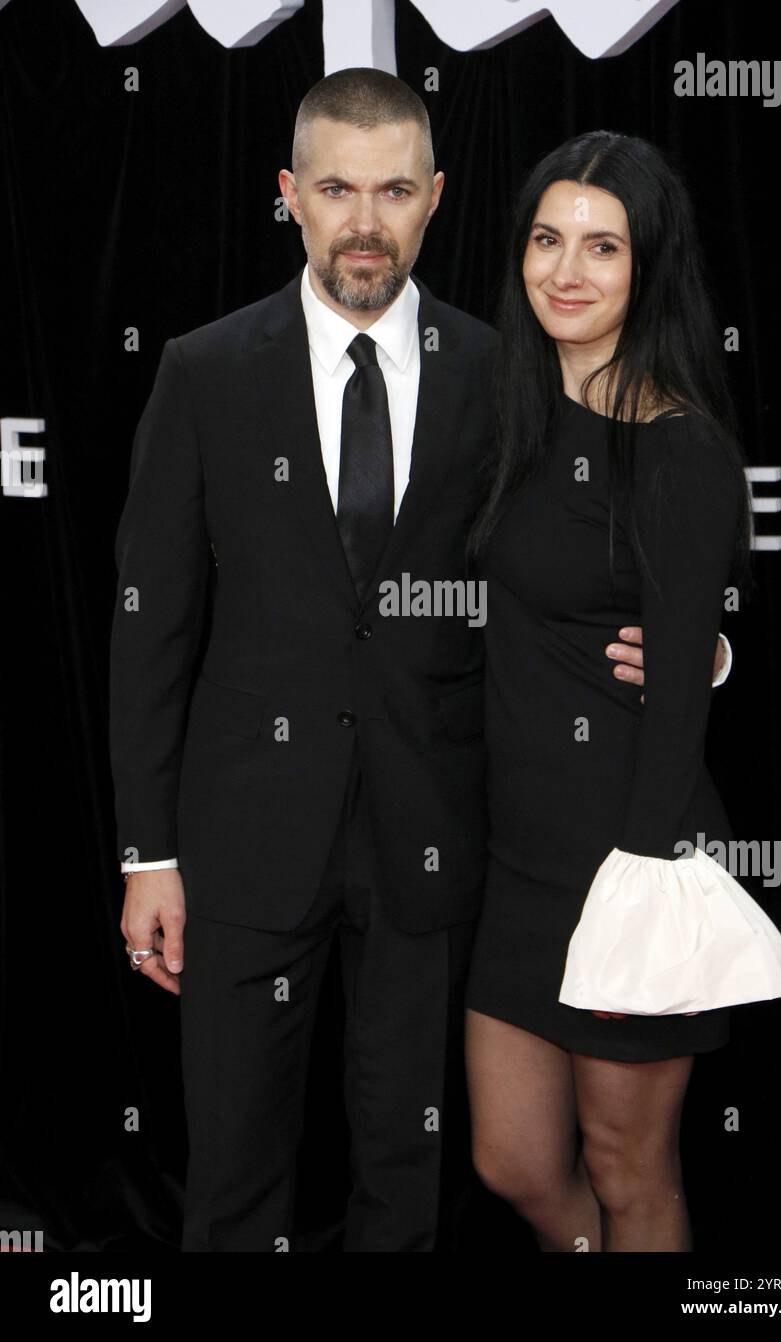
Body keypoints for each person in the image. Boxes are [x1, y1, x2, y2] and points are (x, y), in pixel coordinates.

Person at [110, 75, 730, 1253]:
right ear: (287, 196)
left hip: (435, 835)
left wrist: (703, 641)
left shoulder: (504, 376)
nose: (363, 220)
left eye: (393, 190)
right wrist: (150, 851)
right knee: (232, 1179)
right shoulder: (203, 371)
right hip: (242, 838)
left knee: (410, 1175)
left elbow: (597, 557)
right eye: (335, 188)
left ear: (435, 199)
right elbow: (151, 628)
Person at [463, 131, 781, 1252]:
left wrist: (639, 885)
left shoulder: (679, 452)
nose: (567, 269)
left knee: (627, 1168)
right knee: (509, 1160)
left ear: (647, 267)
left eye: (601, 247)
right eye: (546, 239)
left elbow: (681, 704)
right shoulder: (507, 414)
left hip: (626, 858)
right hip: (516, 864)